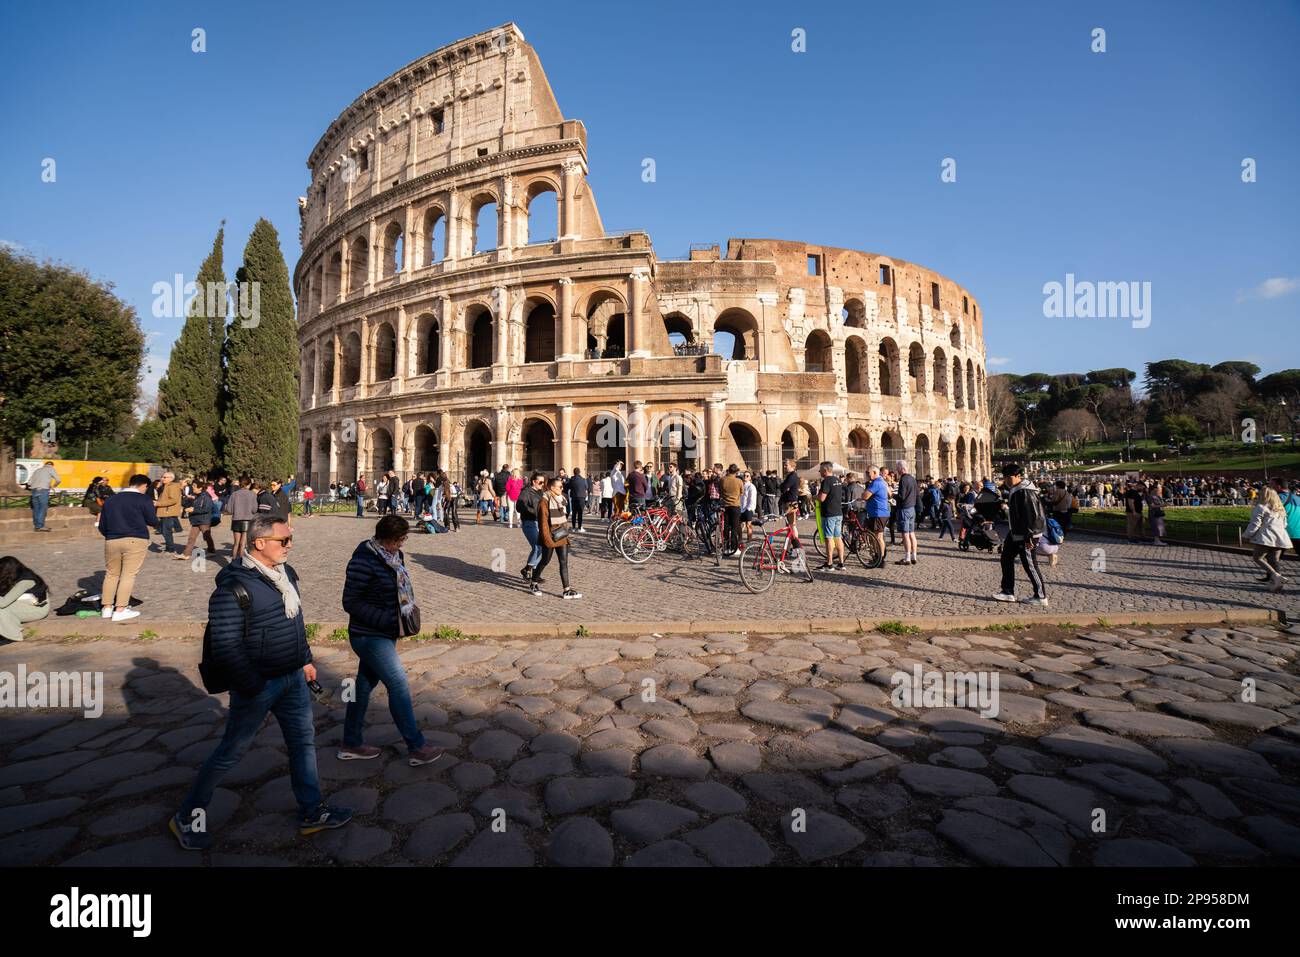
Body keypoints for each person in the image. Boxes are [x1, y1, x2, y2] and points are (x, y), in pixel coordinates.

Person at [170, 516, 352, 849]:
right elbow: (225, 645)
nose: (290, 545)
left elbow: (295, 624)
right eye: (284, 541)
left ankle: (312, 811)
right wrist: (252, 685)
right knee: (231, 751)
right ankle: (187, 815)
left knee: (303, 744)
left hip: (292, 678)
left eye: (290, 539)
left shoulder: (286, 574)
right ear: (260, 544)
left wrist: (306, 659)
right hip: (259, 684)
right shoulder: (233, 587)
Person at [337, 514, 444, 764]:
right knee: (397, 684)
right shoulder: (362, 561)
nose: (403, 544)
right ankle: (416, 746)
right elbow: (350, 602)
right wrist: (386, 619)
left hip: (386, 632)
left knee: (362, 687)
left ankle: (350, 743)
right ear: (386, 538)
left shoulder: (394, 556)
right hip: (368, 635)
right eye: (400, 539)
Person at [98, 473, 158, 622]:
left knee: (111, 574)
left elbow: (102, 525)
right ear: (144, 485)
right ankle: (120, 609)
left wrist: (110, 535)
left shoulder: (111, 499)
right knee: (128, 575)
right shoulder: (144, 499)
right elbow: (152, 520)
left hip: (112, 539)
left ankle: (106, 608)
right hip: (135, 538)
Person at [992, 464, 1048, 606]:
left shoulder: (1025, 491)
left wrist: (1029, 536)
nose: (1006, 480)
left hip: (1027, 533)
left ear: (1018, 476)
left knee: (1029, 564)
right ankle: (1007, 592)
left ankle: (1041, 596)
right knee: (1006, 558)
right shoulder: (1017, 489)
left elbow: (1032, 515)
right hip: (1017, 531)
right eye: (1005, 478)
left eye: (1009, 477)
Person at [535, 476, 582, 599]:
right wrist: (546, 539)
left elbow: (565, 517)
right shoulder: (544, 501)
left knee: (564, 562)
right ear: (551, 487)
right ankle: (534, 582)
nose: (562, 488)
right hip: (550, 536)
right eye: (560, 487)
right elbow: (543, 522)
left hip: (561, 534)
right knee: (545, 561)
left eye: (562, 486)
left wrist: (566, 531)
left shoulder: (561, 499)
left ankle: (566, 589)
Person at [1244, 487, 1292, 592]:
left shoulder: (1260, 507)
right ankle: (1275, 582)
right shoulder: (1280, 508)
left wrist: (1247, 535)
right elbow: (1285, 524)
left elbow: (1255, 524)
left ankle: (1275, 576)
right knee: (1274, 560)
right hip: (1280, 536)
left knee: (1258, 557)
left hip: (1266, 536)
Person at [0, 556, 50, 642]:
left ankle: (12, 635)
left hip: (38, 609)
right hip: (26, 602)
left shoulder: (25, 581)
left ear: (7, 571)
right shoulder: (18, 574)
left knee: (2, 609)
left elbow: (3, 603)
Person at [517, 471, 548, 583]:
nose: (542, 484)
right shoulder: (526, 492)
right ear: (534, 481)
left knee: (543, 547)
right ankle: (527, 569)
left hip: (539, 522)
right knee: (537, 546)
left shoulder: (540, 492)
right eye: (540, 482)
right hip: (529, 522)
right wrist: (534, 512)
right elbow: (519, 506)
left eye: (543, 482)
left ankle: (533, 572)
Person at [177, 478, 218, 561]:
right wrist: (185, 496)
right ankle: (186, 554)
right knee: (191, 537)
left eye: (195, 486)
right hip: (195, 520)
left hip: (204, 520)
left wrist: (193, 510)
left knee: (207, 536)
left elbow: (207, 509)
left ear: (200, 488)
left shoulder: (206, 496)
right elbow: (184, 503)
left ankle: (211, 551)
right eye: (192, 486)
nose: (193, 487)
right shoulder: (193, 495)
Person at [815, 462, 845, 571]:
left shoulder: (826, 481)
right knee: (838, 537)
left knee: (829, 538)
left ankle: (829, 563)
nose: (820, 472)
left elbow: (822, 498)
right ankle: (841, 563)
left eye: (820, 470)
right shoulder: (837, 480)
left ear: (825, 470)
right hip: (838, 513)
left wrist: (814, 497)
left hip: (829, 514)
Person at [862, 466, 891, 562]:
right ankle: (878, 557)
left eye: (868, 472)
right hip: (879, 512)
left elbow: (865, 496)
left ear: (874, 472)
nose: (867, 474)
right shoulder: (881, 482)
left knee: (878, 537)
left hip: (878, 513)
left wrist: (864, 495)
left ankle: (880, 559)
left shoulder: (876, 483)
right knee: (876, 536)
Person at [894, 460, 919, 566]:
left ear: (901, 468)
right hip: (912, 508)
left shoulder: (903, 479)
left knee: (905, 534)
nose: (897, 470)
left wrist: (892, 495)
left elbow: (901, 496)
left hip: (904, 508)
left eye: (897, 468)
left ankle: (907, 558)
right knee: (912, 533)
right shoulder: (913, 478)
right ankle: (914, 556)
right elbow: (916, 493)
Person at [24, 460, 60, 532]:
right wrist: (53, 486)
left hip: (34, 491)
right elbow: (58, 480)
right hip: (43, 491)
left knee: (36, 509)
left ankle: (36, 526)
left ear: (44, 465)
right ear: (52, 465)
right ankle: (40, 526)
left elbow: (29, 482)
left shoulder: (37, 470)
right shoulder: (51, 469)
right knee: (43, 508)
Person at [228, 478, 258, 559]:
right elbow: (254, 509)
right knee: (243, 544)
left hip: (236, 520)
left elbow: (229, 510)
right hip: (247, 520)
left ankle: (233, 561)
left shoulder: (234, 494)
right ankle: (240, 563)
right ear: (248, 484)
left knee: (236, 543)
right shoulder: (252, 494)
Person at [155, 470, 183, 554]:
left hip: (168, 512)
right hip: (165, 511)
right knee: (162, 530)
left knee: (166, 531)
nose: (162, 478)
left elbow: (173, 500)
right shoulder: (166, 486)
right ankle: (169, 547)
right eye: (162, 477)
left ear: (171, 478)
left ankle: (170, 549)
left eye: (164, 477)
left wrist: (158, 503)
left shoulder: (172, 486)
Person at [720, 464, 744, 556]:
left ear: (728, 470)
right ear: (736, 472)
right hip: (735, 505)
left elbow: (721, 491)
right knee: (734, 527)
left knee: (725, 527)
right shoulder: (739, 481)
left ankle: (726, 547)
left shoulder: (722, 480)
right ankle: (734, 548)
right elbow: (742, 492)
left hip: (725, 505)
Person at [1145, 481, 1168, 546]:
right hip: (1154, 513)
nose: (1159, 490)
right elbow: (1151, 506)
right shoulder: (1150, 496)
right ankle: (1156, 540)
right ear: (1153, 489)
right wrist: (1162, 505)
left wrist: (1163, 504)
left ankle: (1158, 540)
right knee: (1156, 527)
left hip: (1158, 513)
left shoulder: (1157, 496)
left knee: (1159, 527)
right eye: (1158, 488)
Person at [568, 467, 589, 531]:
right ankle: (580, 527)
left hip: (574, 497)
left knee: (574, 513)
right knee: (580, 513)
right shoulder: (583, 479)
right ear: (579, 472)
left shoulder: (571, 479)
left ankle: (573, 527)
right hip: (581, 497)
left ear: (574, 472)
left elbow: (569, 486)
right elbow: (586, 487)